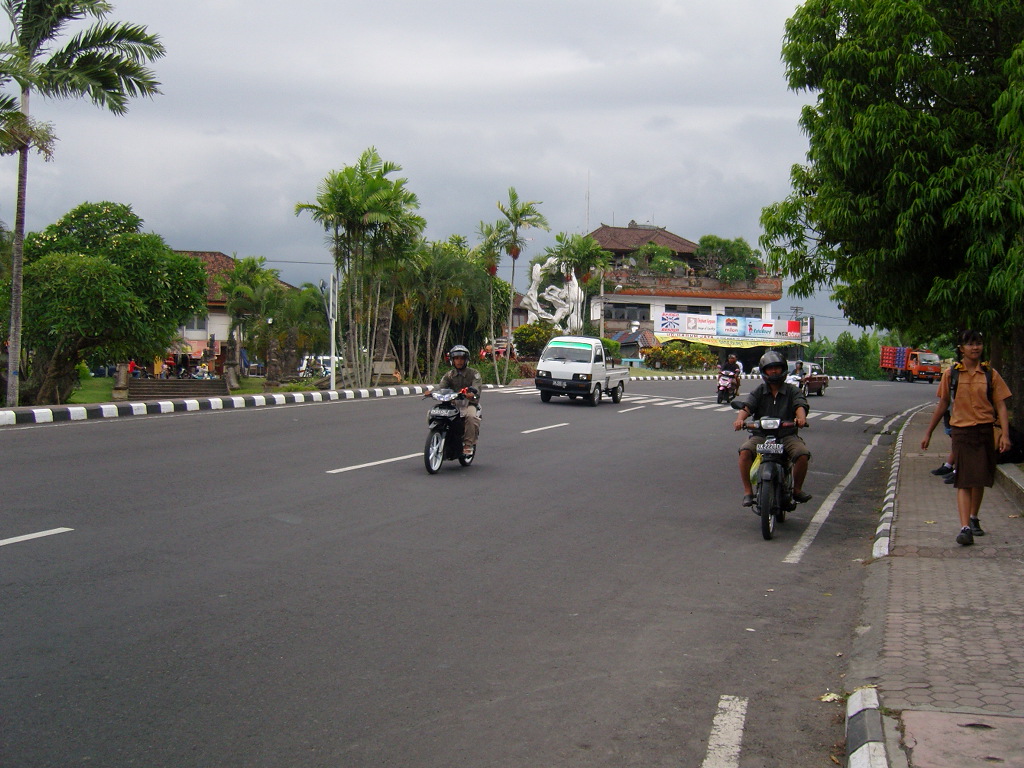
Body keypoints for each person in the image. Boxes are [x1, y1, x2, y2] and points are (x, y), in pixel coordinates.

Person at [921, 329, 1012, 545]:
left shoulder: (990, 374)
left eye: (978, 343)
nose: (975, 347)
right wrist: (928, 432)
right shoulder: (951, 374)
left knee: (979, 478)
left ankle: (973, 517)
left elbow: (1000, 405)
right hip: (961, 433)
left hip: (985, 431)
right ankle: (965, 528)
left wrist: (1005, 435)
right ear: (961, 348)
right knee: (963, 479)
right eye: (970, 344)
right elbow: (943, 403)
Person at [733, 350, 812, 508]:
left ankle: (797, 490)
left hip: (786, 435)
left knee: (802, 454)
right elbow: (747, 406)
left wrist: (801, 418)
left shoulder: (792, 391)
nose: (774, 371)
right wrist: (740, 420)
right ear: (764, 371)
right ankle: (748, 492)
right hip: (761, 435)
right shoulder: (759, 391)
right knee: (744, 452)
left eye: (777, 367)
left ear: (783, 369)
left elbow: (800, 405)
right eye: (770, 368)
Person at [436, 344, 482, 455]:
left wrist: (471, 393)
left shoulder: (474, 374)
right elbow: (441, 387)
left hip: (468, 404)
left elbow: (476, 387)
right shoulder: (449, 375)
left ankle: (468, 444)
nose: (459, 361)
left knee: (471, 417)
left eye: (462, 358)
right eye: (456, 358)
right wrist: (432, 392)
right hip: (452, 404)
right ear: (452, 360)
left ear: (466, 360)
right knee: (434, 412)